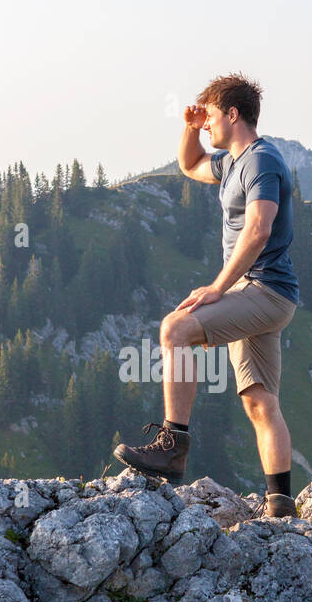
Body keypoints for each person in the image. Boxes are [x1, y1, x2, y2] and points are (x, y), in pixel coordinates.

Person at [113, 72, 300, 517]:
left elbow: (259, 229)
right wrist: (190, 126)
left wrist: (218, 288)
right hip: (263, 294)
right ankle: (280, 503)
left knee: (175, 329)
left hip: (263, 290)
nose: (208, 125)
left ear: (233, 114)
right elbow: (189, 164)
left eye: (213, 116)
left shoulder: (261, 161)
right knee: (260, 401)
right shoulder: (233, 162)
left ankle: (171, 446)